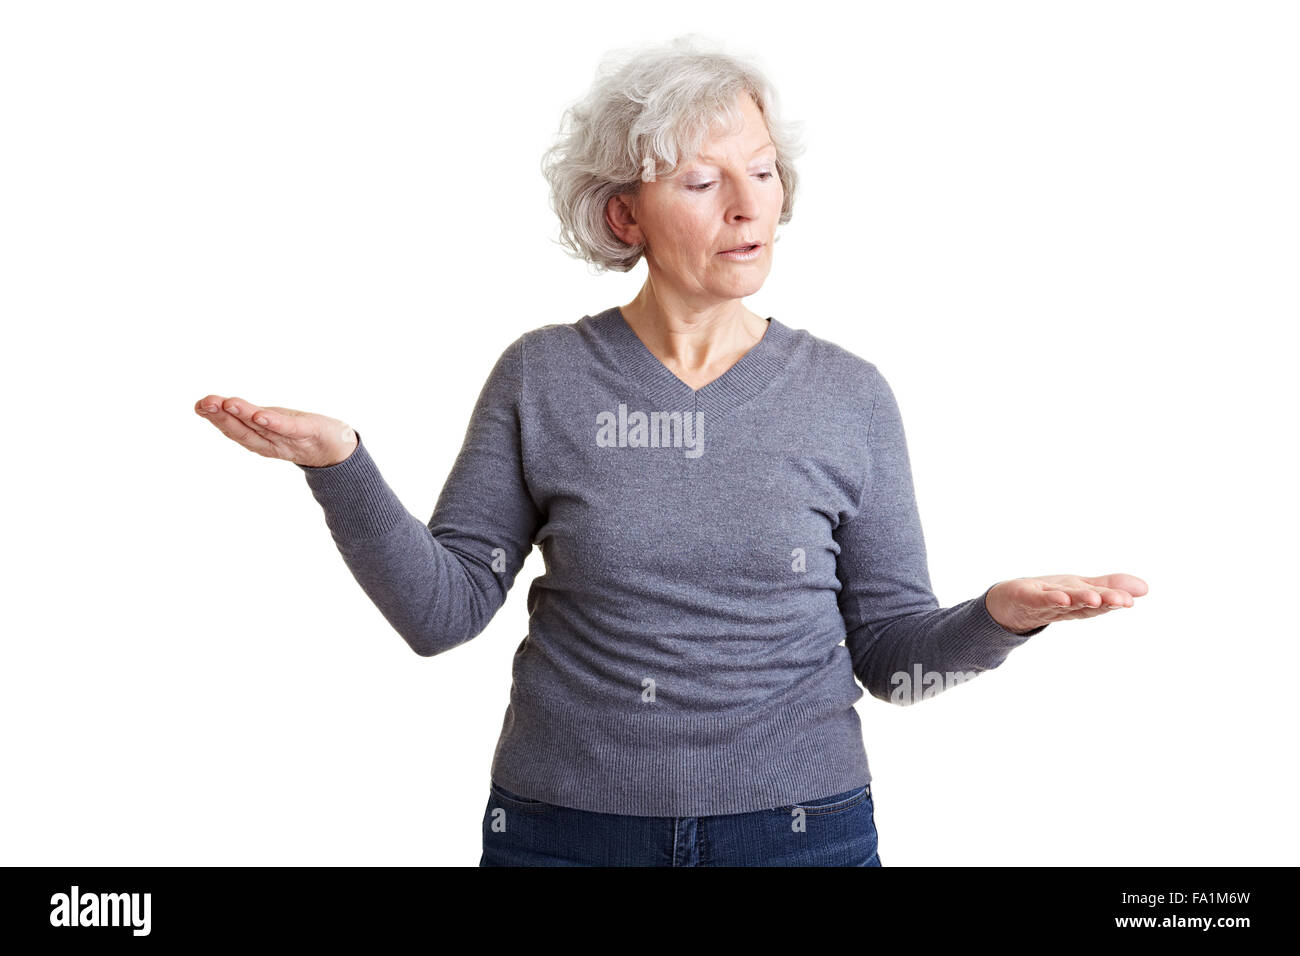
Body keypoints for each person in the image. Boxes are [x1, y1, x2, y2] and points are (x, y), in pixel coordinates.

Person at [194, 35, 1146, 866]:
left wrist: (999, 619)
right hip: (563, 831)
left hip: (801, 833)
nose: (748, 206)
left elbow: (895, 664)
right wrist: (339, 466)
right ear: (625, 216)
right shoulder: (543, 376)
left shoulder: (848, 395)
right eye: (701, 181)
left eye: (764, 171)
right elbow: (442, 613)